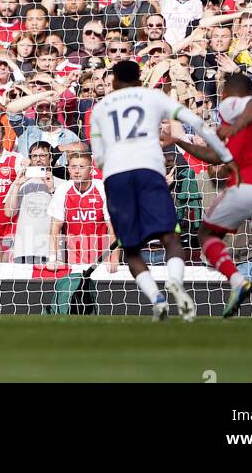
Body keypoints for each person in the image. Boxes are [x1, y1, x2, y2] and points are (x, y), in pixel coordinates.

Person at [89, 59, 232, 321]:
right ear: (140, 78)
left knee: (131, 249)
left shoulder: (100, 108)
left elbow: (98, 157)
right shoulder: (154, 97)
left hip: (116, 176)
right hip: (149, 170)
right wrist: (222, 152)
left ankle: (156, 299)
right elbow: (197, 124)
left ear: (113, 81)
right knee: (170, 238)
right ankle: (175, 281)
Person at [178, 72, 252, 321]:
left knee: (207, 234)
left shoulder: (232, 106)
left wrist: (234, 125)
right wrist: (180, 141)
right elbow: (214, 155)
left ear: (225, 93)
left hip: (246, 184)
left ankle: (237, 280)